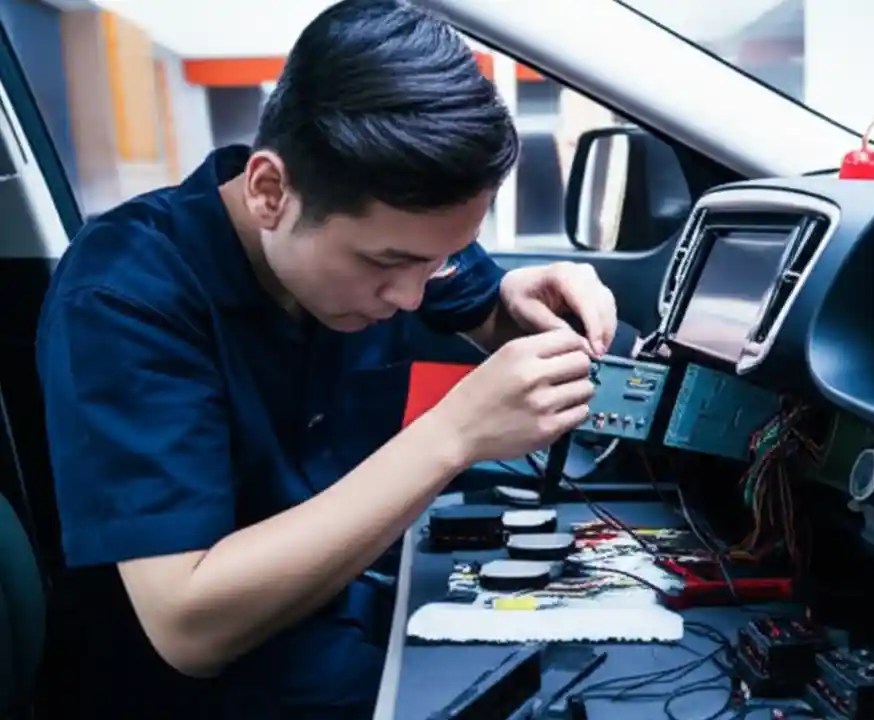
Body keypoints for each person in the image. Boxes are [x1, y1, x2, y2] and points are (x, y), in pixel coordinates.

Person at [34, 1, 616, 718]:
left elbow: (483, 305)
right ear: (270, 191)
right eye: (389, 263)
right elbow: (187, 623)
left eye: (434, 263)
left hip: (352, 632)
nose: (409, 298)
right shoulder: (125, 298)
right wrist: (452, 434)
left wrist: (519, 301)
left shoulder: (389, 234)